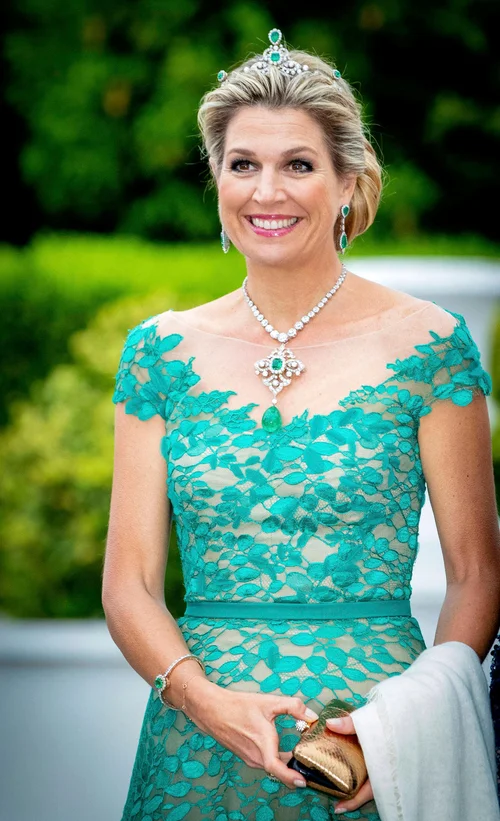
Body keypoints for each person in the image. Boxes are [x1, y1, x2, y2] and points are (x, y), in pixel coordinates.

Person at [102, 28, 500, 821]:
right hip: (199, 740)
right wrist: (206, 701)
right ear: (216, 179)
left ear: (349, 180)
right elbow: (131, 582)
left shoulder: (430, 347)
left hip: (373, 738)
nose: (266, 191)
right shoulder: (159, 354)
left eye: (299, 165)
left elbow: (477, 574)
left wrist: (386, 737)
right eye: (242, 164)